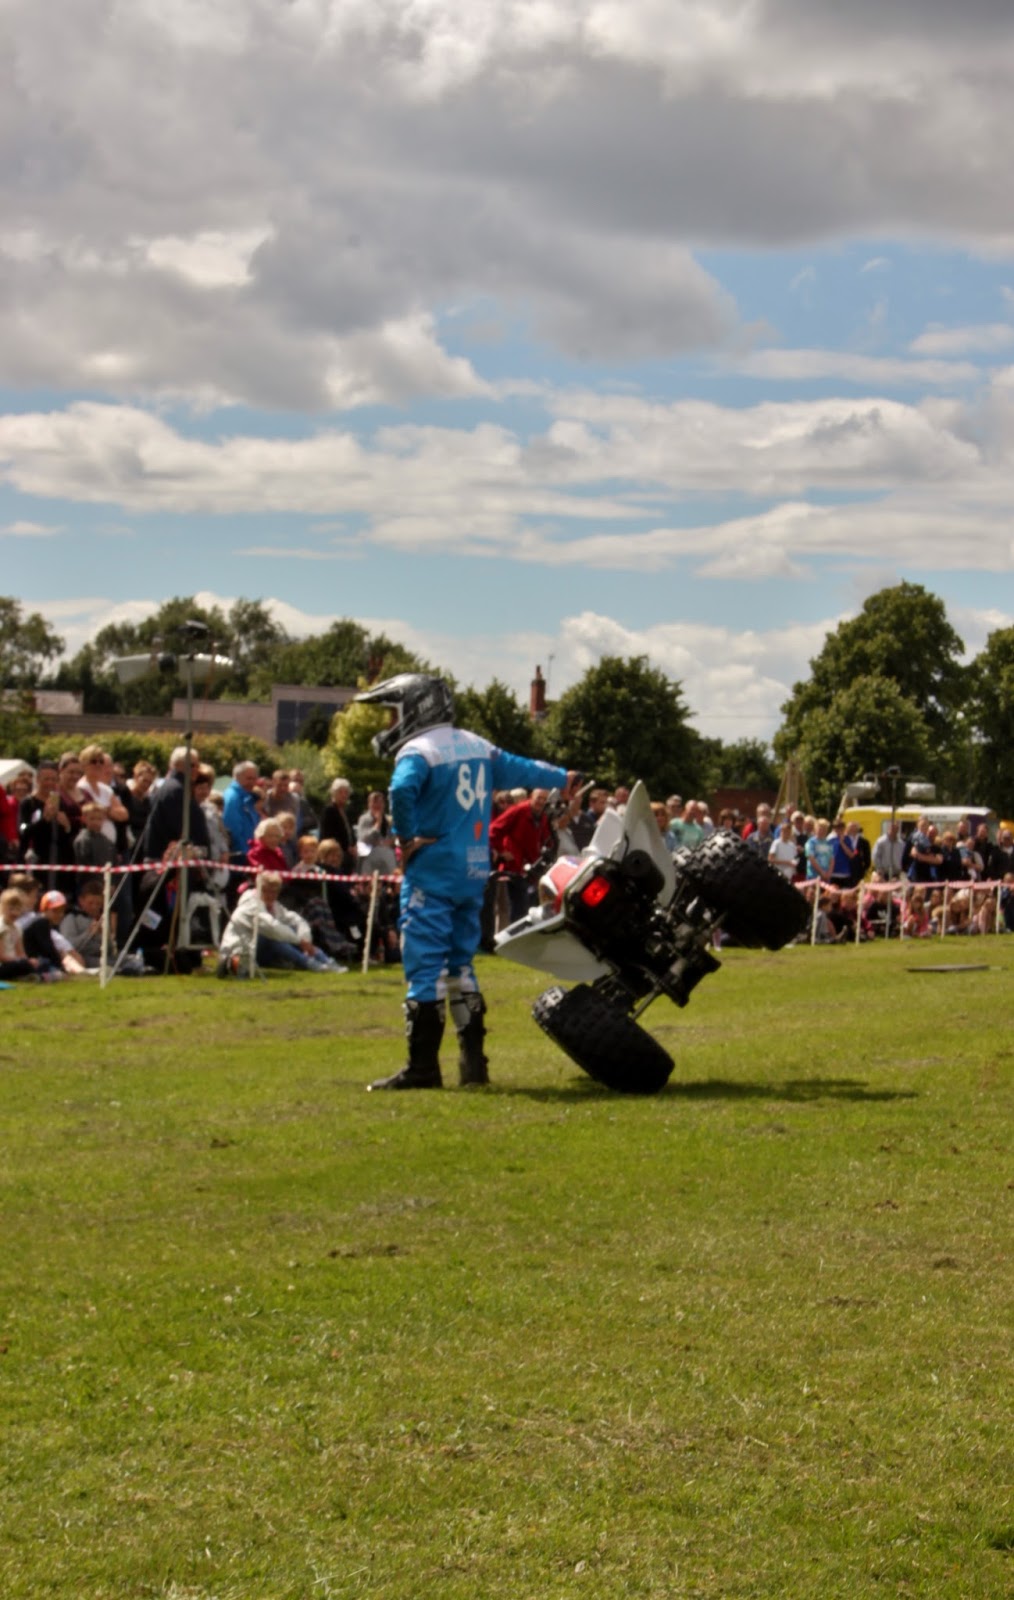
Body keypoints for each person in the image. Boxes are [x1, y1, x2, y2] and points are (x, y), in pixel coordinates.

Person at [354, 673, 575, 1091]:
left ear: (414, 707)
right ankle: (473, 1067)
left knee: (424, 968)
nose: (388, 725)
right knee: (461, 966)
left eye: (391, 713)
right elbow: (523, 769)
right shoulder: (478, 745)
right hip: (473, 871)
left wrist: (407, 837)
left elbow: (400, 791)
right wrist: (564, 777)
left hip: (432, 871)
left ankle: (422, 1069)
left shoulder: (418, 751)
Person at [217, 872, 344, 975]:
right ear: (259, 888)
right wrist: (300, 941)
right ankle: (309, 963)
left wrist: (304, 938)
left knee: (292, 930)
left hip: (255, 951)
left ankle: (325, 960)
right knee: (272, 936)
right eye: (267, 891)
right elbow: (272, 928)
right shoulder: (250, 906)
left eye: (275, 892)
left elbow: (296, 919)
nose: (271, 895)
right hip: (237, 952)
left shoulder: (274, 906)